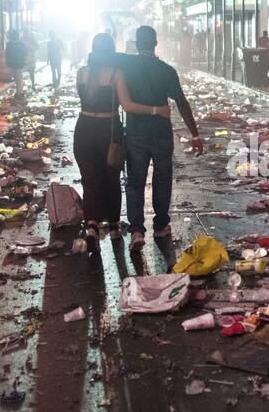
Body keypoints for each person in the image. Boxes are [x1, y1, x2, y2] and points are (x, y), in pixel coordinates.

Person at [74, 32, 169, 253]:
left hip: (83, 129)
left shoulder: (81, 73)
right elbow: (127, 105)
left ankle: (91, 227)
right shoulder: (115, 74)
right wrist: (157, 110)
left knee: (90, 180)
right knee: (112, 178)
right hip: (109, 131)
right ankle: (115, 226)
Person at [119, 25, 203, 248]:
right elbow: (182, 103)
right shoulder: (166, 71)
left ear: (137, 45)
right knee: (162, 179)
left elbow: (105, 57)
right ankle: (160, 226)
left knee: (135, 182)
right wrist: (194, 134)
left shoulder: (126, 66)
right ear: (155, 43)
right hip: (161, 134)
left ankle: (136, 230)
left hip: (136, 133)